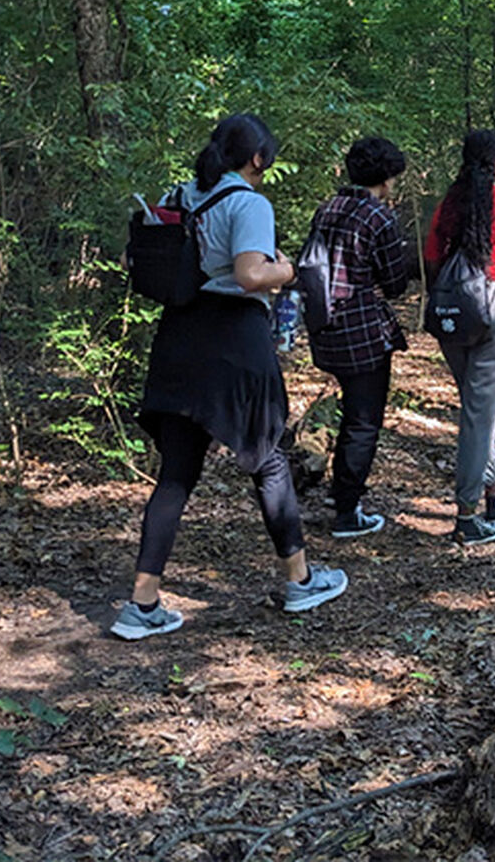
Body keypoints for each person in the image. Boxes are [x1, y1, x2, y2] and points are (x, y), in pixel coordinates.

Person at [111, 114, 347, 640]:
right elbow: (249, 275)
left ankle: (142, 603)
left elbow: (134, 256)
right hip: (234, 341)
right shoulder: (250, 203)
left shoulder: (180, 193)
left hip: (178, 337)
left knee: (175, 474)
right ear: (258, 158)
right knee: (267, 460)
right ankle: (300, 581)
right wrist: (288, 271)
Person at [424, 129, 495, 545]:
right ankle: (468, 515)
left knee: (476, 410)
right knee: (479, 413)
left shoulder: (447, 207)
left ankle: (493, 494)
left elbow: (432, 262)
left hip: (454, 312)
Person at [307, 137, 410, 537]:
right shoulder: (378, 218)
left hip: (323, 326)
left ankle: (340, 494)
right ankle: (347, 510)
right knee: (364, 420)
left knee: (351, 413)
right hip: (362, 331)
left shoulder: (327, 208)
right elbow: (396, 281)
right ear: (385, 178)